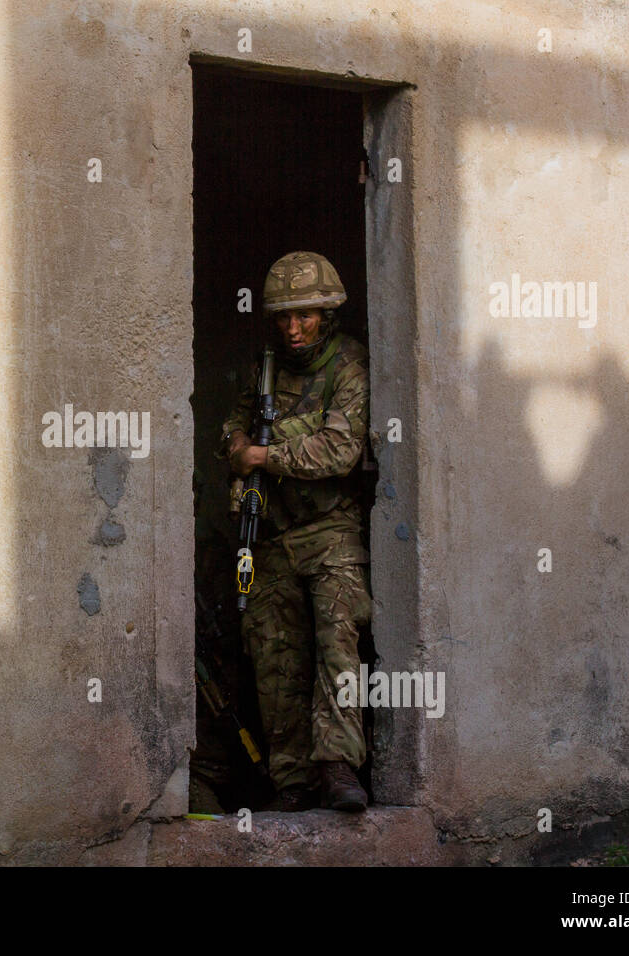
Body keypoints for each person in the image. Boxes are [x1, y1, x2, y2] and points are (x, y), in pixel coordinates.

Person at [218, 251, 372, 813]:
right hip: (273, 535)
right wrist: (236, 445)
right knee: (274, 656)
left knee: (338, 644)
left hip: (331, 530)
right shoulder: (266, 367)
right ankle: (292, 781)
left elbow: (338, 449)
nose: (293, 327)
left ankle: (338, 768)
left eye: (305, 316)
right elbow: (235, 420)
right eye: (284, 317)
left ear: (327, 314)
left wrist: (263, 453)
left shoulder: (349, 366)